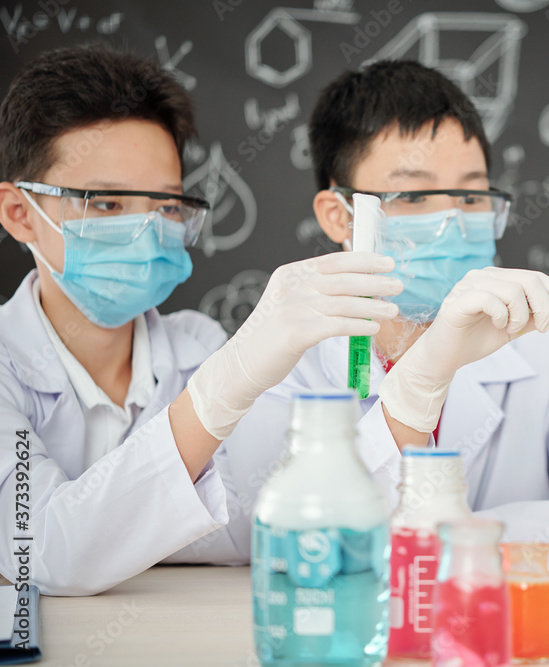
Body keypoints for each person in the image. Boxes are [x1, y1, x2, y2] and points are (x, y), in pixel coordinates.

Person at [0, 44, 403, 595]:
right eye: (107, 204)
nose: (146, 228)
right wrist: (220, 391)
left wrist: (422, 379)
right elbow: (45, 553)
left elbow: (282, 520)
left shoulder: (198, 345)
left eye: (166, 206)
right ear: (20, 213)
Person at [266, 59, 549, 573]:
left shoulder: (544, 348)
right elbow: (293, 542)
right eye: (414, 196)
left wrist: (462, 540)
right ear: (340, 216)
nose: (452, 222)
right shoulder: (289, 360)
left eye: (470, 196)